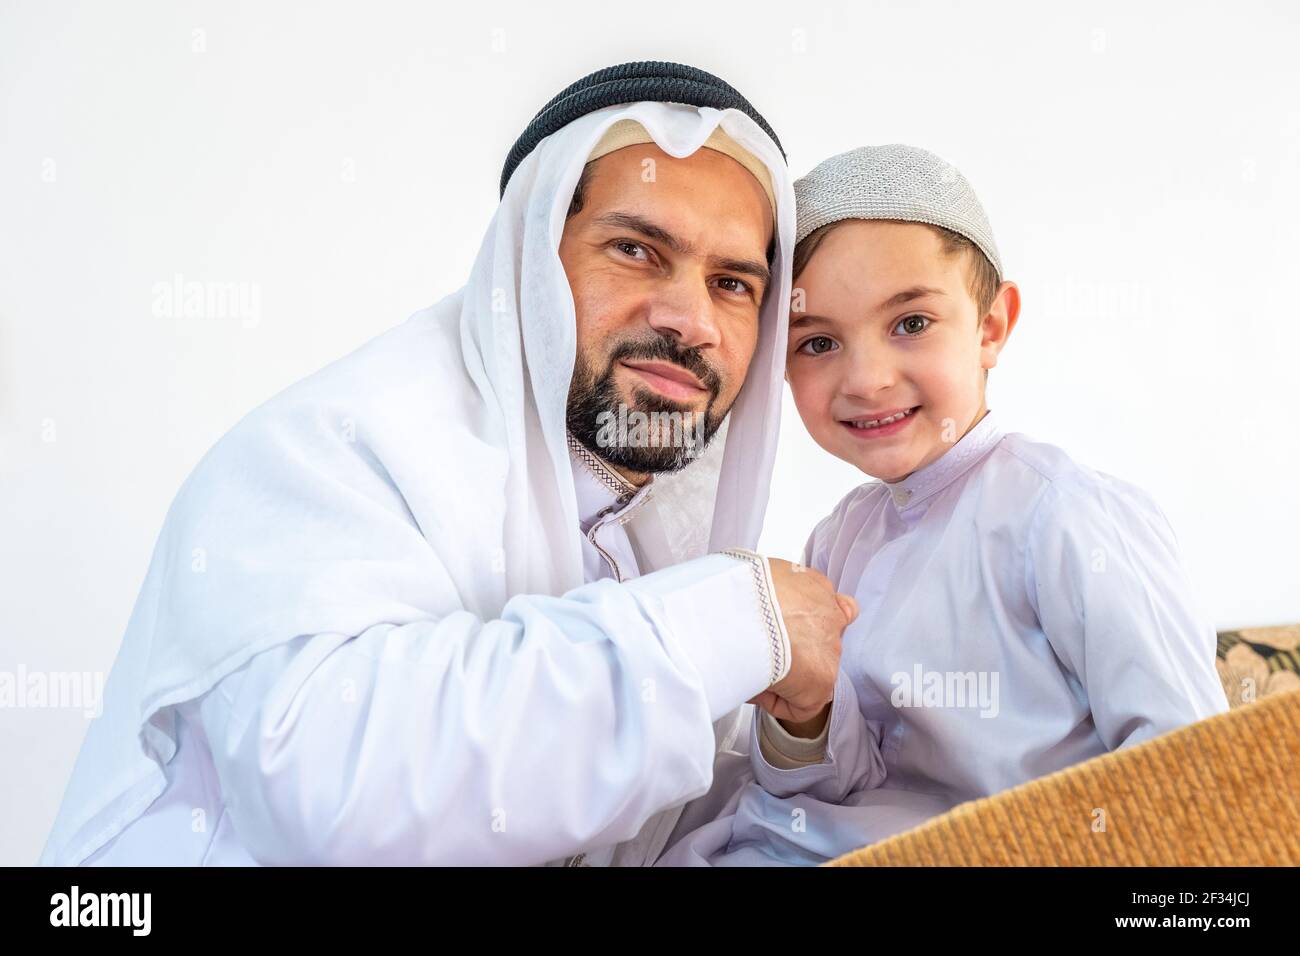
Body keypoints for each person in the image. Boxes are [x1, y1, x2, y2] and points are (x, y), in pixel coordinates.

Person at [39, 62, 858, 867]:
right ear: (528, 265)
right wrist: (734, 623)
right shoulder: (328, 450)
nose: (689, 320)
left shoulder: (645, 546)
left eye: (733, 284)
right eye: (637, 250)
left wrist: (798, 734)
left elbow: (619, 820)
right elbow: (332, 789)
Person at [656, 144, 1229, 866]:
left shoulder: (1065, 516)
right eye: (819, 341)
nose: (865, 379)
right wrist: (807, 713)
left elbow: (1190, 762)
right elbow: (838, 782)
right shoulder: (840, 538)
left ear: (991, 327)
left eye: (911, 324)